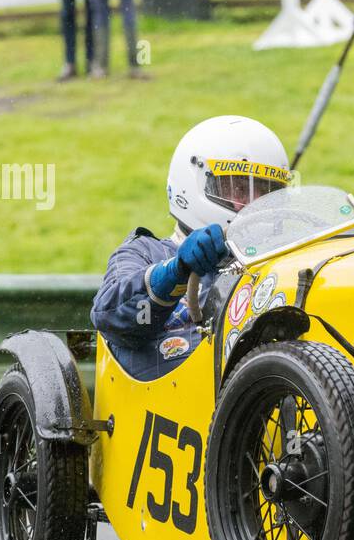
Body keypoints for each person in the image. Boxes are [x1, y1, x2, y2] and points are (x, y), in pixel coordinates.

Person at [91, 117, 292, 380]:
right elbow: (111, 317)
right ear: (193, 182)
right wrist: (177, 271)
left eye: (265, 193)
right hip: (173, 403)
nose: (251, 205)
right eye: (239, 189)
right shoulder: (145, 251)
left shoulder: (282, 261)